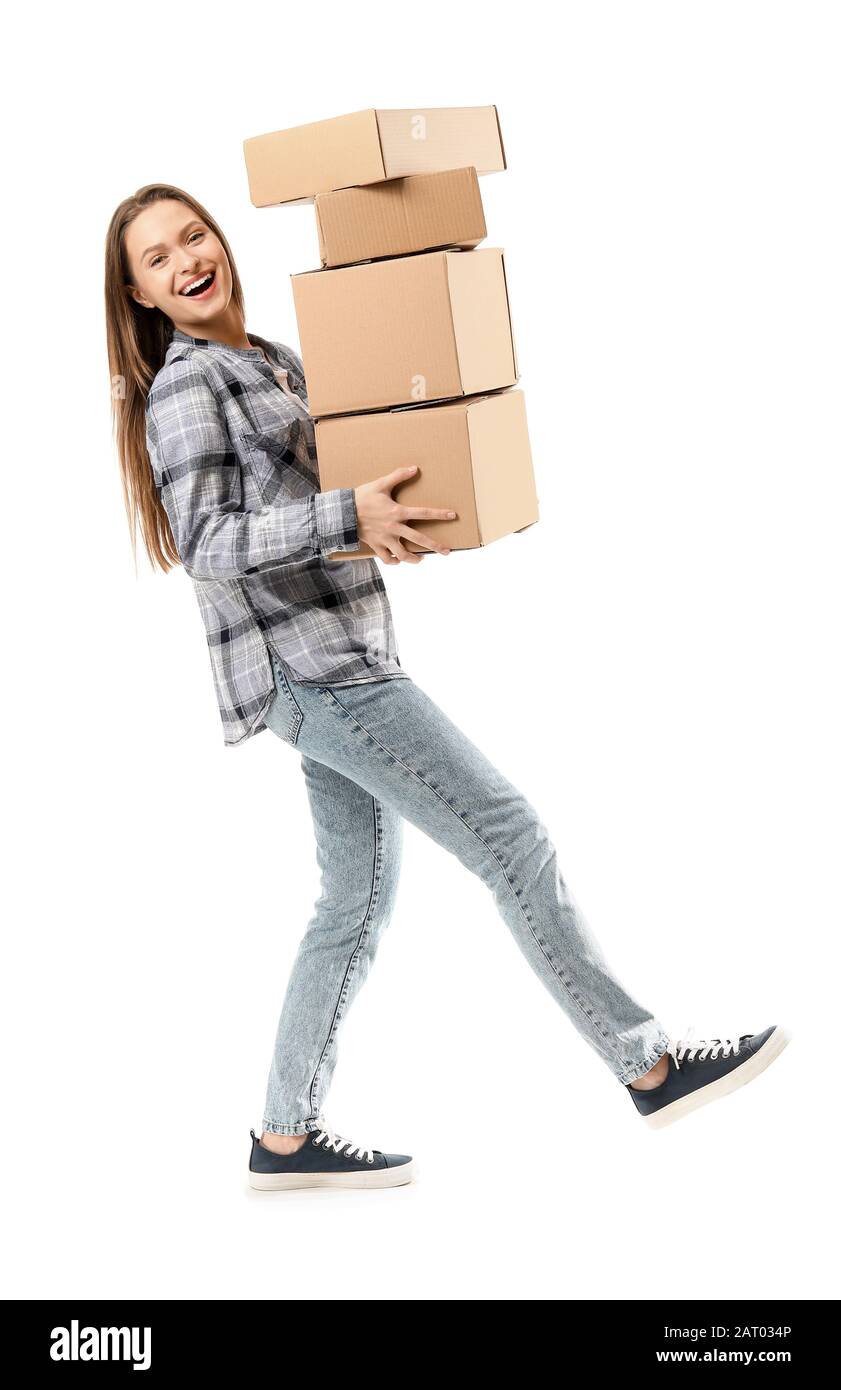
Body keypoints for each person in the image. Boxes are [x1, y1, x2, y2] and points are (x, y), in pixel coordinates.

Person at [105, 182, 791, 1193]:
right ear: (138, 292)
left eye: (193, 236)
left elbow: (328, 507)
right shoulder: (185, 389)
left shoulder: (277, 363)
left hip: (347, 649)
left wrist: (381, 530)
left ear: (220, 241)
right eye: (156, 258)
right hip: (314, 669)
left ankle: (282, 1137)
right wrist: (346, 517)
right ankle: (644, 1060)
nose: (186, 261)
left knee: (354, 897)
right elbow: (207, 547)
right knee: (511, 838)